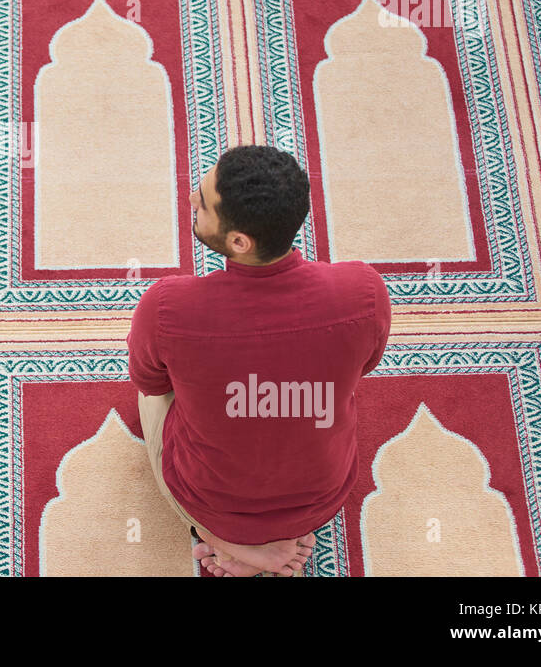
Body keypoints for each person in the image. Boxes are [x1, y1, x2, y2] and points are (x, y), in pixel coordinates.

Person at [129, 145, 391, 576]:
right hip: (320, 501)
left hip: (210, 502)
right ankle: (264, 545)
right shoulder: (363, 291)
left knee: (151, 394)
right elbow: (366, 366)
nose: (192, 199)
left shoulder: (167, 306)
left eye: (203, 200)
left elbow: (151, 382)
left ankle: (225, 543)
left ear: (238, 241)